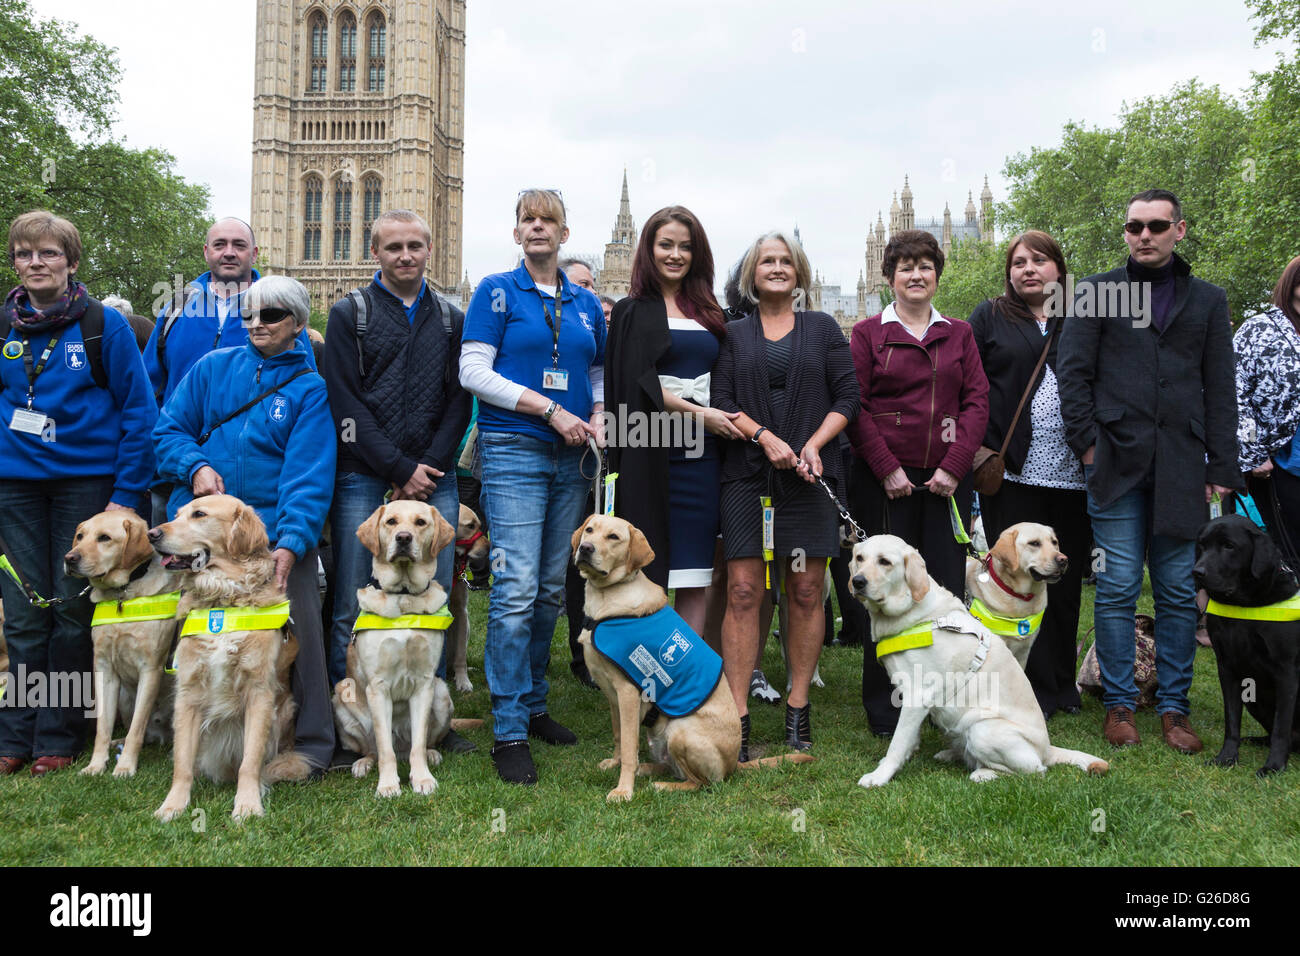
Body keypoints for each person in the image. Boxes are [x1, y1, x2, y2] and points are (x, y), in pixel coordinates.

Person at [1057, 188, 1240, 753]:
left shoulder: (1209, 301)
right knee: (1113, 589)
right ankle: (1118, 704)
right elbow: (1073, 376)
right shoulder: (1095, 293)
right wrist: (1088, 448)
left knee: (1179, 593)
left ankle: (1174, 708)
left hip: (1183, 468)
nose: (1145, 235)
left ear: (1178, 231)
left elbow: (1220, 387)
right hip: (1113, 467)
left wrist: (1223, 465)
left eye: (1157, 226)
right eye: (1135, 226)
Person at [153, 275, 336, 775]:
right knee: (196, 639)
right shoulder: (212, 368)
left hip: (271, 538)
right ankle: (197, 743)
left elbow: (309, 475)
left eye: (271, 315)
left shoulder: (309, 388)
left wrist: (292, 544)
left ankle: (315, 744)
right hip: (204, 534)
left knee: (301, 637)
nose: (257, 323)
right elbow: (167, 431)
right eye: (249, 314)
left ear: (298, 324)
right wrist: (195, 466)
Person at [0, 211, 157, 775]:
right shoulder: (3, 327)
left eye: (47, 253)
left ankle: (57, 738)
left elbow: (141, 413)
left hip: (85, 488)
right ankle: (13, 737)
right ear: (15, 262)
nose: (36, 263)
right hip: (15, 487)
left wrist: (125, 496)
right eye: (24, 254)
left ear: (70, 260)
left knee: (69, 615)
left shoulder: (101, 326)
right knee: (22, 615)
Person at [459, 188, 607, 785]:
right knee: (516, 584)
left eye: (549, 219)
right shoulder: (495, 291)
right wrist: (549, 410)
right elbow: (473, 370)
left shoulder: (585, 302)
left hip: (570, 456)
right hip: (514, 448)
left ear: (564, 234)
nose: (538, 227)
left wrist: (595, 413)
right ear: (517, 232)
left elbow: (595, 367)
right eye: (529, 219)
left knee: (550, 586)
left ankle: (536, 701)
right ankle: (508, 726)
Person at [712, 229, 858, 758]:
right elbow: (723, 401)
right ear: (752, 273)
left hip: (810, 478)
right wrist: (765, 437)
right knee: (745, 591)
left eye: (785, 261)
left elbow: (848, 396)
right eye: (766, 261)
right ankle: (738, 714)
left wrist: (815, 444)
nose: (776, 267)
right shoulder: (733, 334)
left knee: (804, 590)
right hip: (748, 477)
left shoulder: (821, 329)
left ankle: (798, 708)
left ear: (799, 272)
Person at [322, 210, 472, 717]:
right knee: (352, 599)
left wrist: (428, 465)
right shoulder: (350, 313)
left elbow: (459, 400)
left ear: (429, 250)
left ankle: (426, 717)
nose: (405, 256)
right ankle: (347, 714)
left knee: (434, 595)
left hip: (434, 477)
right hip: (364, 472)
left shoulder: (451, 317)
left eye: (414, 246)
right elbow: (344, 400)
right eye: (393, 248)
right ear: (375, 253)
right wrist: (397, 468)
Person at [848, 228, 989, 736]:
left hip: (946, 481)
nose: (915, 274)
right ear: (888, 276)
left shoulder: (960, 334)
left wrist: (955, 465)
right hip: (886, 480)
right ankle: (887, 707)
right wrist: (886, 465)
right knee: (884, 591)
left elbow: (976, 403)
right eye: (905, 267)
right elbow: (855, 406)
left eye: (925, 266)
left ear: (936, 274)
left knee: (942, 590)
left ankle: (942, 702)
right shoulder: (867, 334)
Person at [969, 230, 1090, 719]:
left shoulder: (1082, 315)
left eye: (1039, 260)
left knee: (1064, 578)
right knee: (1017, 583)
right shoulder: (990, 316)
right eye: (1018, 262)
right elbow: (972, 384)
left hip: (1073, 474)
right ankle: (1023, 684)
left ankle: (1063, 684)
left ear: (1058, 268)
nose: (1028, 269)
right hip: (1013, 473)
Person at [607, 205, 740, 635]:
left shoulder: (709, 312)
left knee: (695, 576)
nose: (675, 254)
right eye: (666, 244)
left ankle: (683, 685)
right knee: (648, 570)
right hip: (650, 449)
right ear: (649, 249)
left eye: (686, 246)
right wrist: (700, 414)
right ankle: (645, 680)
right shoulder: (631, 311)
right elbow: (637, 382)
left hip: (701, 458)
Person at [143, 217, 313, 524]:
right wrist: (175, 459)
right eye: (220, 245)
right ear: (206, 251)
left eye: (239, 245)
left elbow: (304, 390)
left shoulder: (279, 308)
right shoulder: (178, 307)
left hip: (258, 487)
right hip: (176, 477)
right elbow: (147, 391)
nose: (229, 252)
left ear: (255, 253)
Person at [1234, 254, 1300, 562]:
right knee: (1290, 547)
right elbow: (1235, 393)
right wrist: (1254, 454)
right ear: (1292, 284)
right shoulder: (1258, 329)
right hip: (1279, 463)